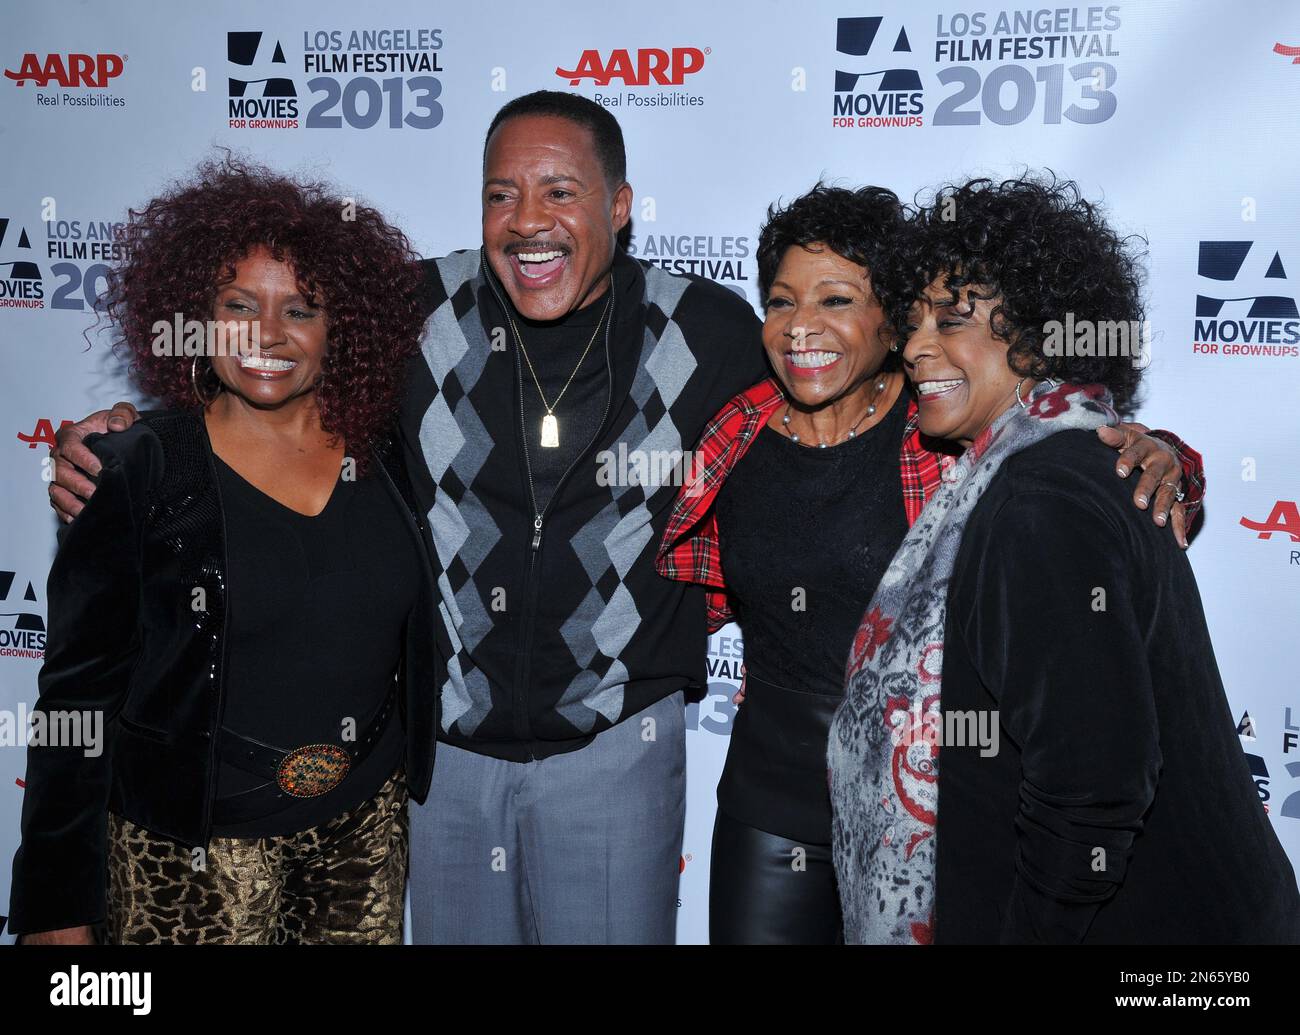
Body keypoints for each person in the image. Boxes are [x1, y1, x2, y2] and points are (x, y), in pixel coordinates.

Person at [47, 92, 769, 944]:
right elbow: (273, 361)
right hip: (442, 757)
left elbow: (810, 440)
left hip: (615, 746)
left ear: (619, 206)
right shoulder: (413, 313)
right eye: (502, 193)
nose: (528, 220)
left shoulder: (709, 330)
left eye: (560, 191)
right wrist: (134, 432)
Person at [656, 184, 1205, 944]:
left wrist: (1170, 457)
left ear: (887, 321)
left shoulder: (942, 434)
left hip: (922, 800)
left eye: (837, 298)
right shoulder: (734, 428)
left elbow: (1062, 434)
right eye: (781, 302)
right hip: (769, 796)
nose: (801, 326)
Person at [828, 175, 1300, 944]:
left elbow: (1093, 786)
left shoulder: (1035, 498)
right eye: (912, 323)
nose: (915, 347)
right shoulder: (1070, 453)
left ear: (1040, 332)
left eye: (951, 321)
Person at [10, 157, 437, 944]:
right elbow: (75, 705)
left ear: (338, 328)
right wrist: (55, 910)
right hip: (192, 856)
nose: (268, 335)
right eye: (239, 305)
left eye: (300, 309)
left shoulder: (385, 452)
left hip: (365, 835)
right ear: (196, 317)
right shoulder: (137, 466)